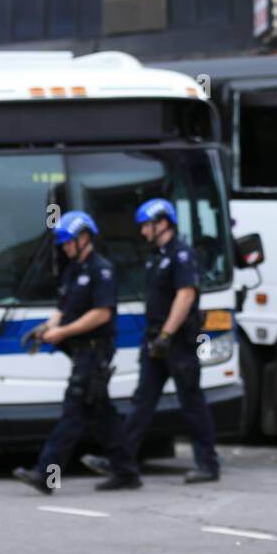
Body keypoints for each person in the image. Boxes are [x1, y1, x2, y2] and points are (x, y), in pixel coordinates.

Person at [96, 197, 220, 489]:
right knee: (142, 402)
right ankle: (121, 462)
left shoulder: (181, 255)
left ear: (162, 223)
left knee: (191, 402)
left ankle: (208, 464)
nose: (142, 232)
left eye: (146, 226)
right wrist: (158, 337)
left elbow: (186, 295)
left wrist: (167, 334)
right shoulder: (156, 256)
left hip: (176, 341)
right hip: (156, 340)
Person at [13, 211, 129, 494]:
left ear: (84, 238)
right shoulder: (72, 270)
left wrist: (61, 333)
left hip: (95, 353)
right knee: (102, 413)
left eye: (68, 242)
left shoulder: (101, 270)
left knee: (73, 413)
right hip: (80, 353)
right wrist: (46, 328)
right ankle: (127, 471)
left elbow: (101, 314)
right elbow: (62, 310)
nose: (65, 248)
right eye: (62, 244)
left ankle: (46, 474)